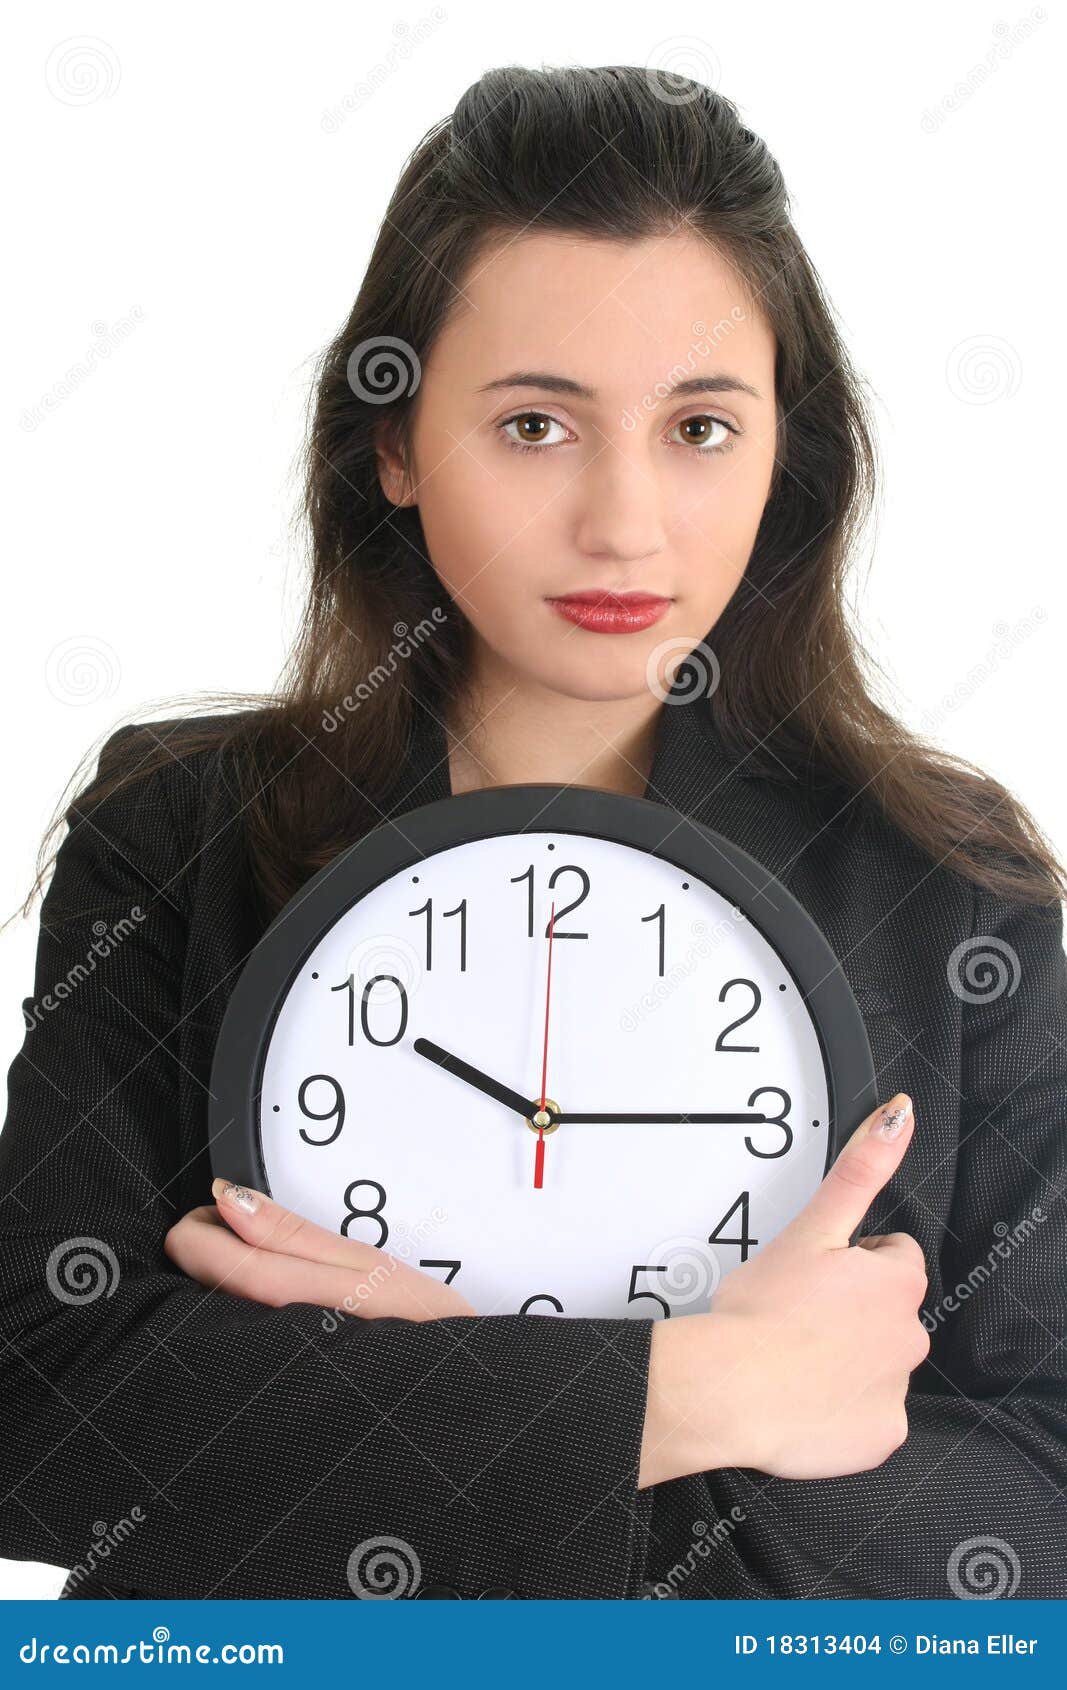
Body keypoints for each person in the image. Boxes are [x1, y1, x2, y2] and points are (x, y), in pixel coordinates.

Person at [2, 65, 1065, 1602]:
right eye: (535, 423)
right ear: (393, 443)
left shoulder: (948, 881)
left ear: (787, 450)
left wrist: (430, 1384)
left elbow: (1038, 1503)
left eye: (700, 426)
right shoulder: (179, 835)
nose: (624, 521)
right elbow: (42, 1403)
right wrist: (684, 1391)